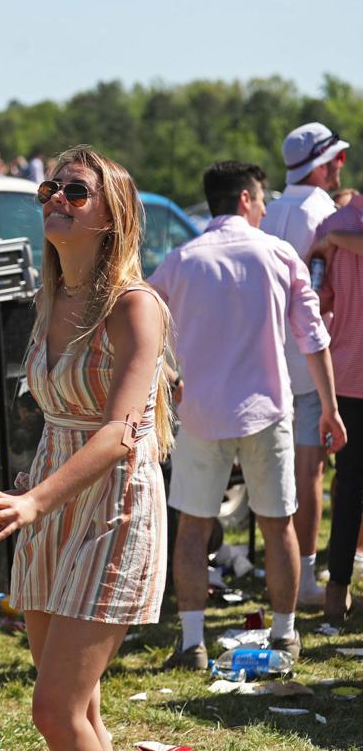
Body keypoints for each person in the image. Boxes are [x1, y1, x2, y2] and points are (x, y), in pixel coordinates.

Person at [0, 147, 170, 751]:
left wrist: (33, 501)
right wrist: (28, 498)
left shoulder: (134, 307)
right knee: (79, 710)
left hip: (113, 505)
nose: (56, 197)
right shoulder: (48, 299)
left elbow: (117, 435)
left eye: (76, 192)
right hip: (50, 497)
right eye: (50, 190)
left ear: (111, 218)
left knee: (54, 714)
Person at [150, 161, 347, 670]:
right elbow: (313, 337)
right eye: (260, 200)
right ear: (243, 199)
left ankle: (191, 642)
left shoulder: (180, 259)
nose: (263, 208)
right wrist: (328, 406)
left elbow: (142, 322)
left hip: (200, 411)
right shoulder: (278, 254)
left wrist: (168, 378)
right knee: (277, 524)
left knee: (192, 528)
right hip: (267, 407)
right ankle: (284, 636)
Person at [259, 122, 349, 606]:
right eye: (336, 160)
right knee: (309, 471)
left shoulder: (269, 208)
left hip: (270, 359)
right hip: (311, 359)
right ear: (320, 164)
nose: (342, 167)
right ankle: (307, 576)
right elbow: (319, 294)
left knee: (276, 473)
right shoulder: (322, 211)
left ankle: (283, 568)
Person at [311, 188, 363, 621]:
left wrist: (333, 245)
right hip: (349, 372)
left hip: (346, 371)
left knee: (348, 488)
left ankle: (336, 593)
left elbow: (321, 299)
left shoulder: (332, 226)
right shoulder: (335, 229)